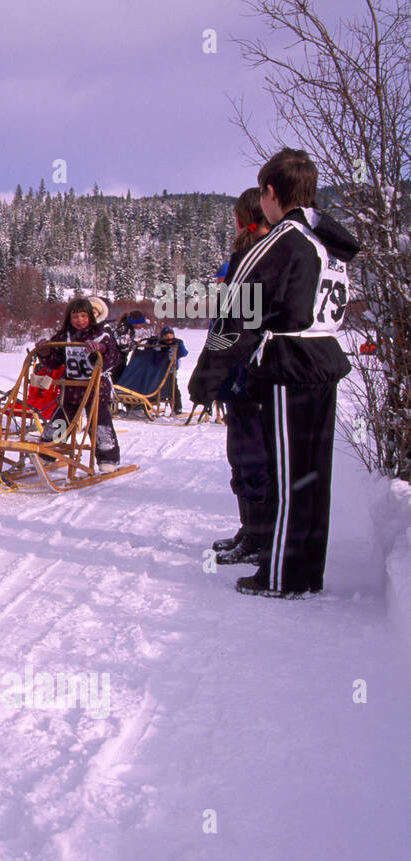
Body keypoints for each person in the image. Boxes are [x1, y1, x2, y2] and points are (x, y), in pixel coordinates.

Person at [205, 149, 357, 598]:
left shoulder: (281, 241)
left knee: (288, 477)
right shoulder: (324, 239)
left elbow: (239, 314)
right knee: (311, 477)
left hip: (290, 364)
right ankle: (308, 570)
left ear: (270, 193)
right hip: (324, 360)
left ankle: (282, 576)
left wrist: (207, 378)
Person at [188, 187, 272, 567]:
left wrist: (211, 373)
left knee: (252, 457)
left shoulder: (256, 261)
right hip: (242, 373)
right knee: (241, 456)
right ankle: (251, 528)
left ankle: (261, 535)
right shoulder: (248, 261)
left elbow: (236, 329)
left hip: (251, 374)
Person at [34, 297, 122, 470]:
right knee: (60, 421)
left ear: (91, 316)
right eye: (75, 317)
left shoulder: (101, 335)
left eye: (83, 316)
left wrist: (101, 349)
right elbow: (54, 362)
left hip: (96, 388)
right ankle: (47, 453)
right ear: (69, 318)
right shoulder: (63, 336)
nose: (79, 320)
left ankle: (107, 459)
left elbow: (114, 358)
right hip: (71, 388)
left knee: (99, 423)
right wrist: (45, 352)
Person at [154, 325, 189, 414]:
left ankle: (177, 408)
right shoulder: (158, 345)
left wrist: (180, 344)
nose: (169, 337)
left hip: (171, 372)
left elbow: (184, 353)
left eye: (171, 335)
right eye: (166, 335)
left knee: (173, 390)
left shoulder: (175, 345)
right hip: (157, 372)